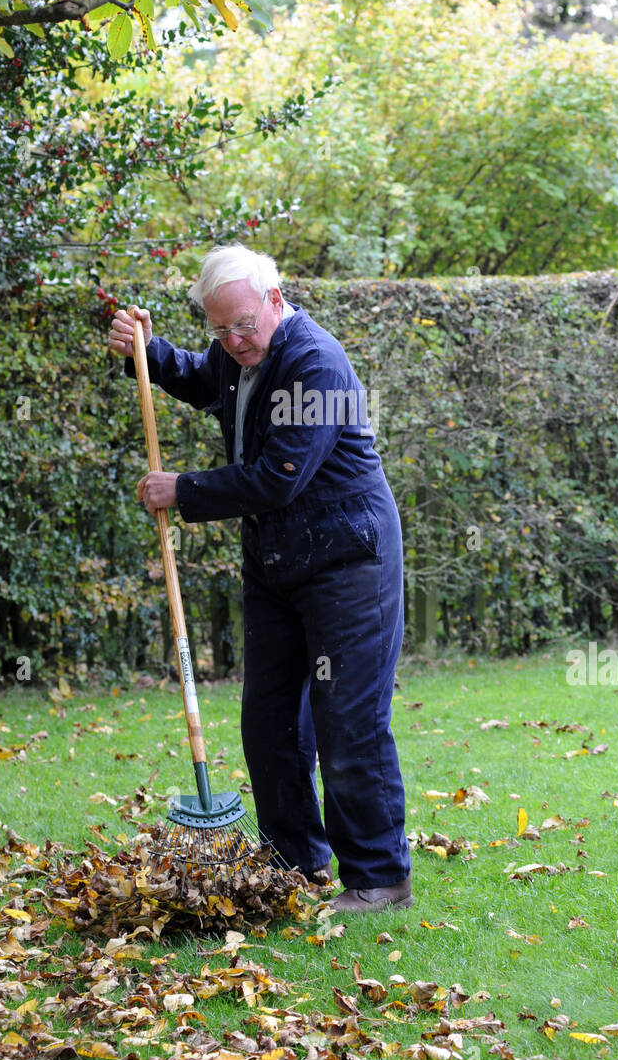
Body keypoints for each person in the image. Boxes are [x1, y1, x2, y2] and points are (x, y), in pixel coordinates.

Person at [108, 244, 411, 912]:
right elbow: (199, 376)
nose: (233, 341)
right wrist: (147, 352)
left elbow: (278, 477)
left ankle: (379, 877)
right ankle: (296, 863)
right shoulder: (237, 352)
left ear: (275, 300)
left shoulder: (314, 365)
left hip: (346, 562)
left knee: (346, 721)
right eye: (219, 329)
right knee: (268, 720)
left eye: (243, 324)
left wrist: (181, 489)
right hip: (277, 563)